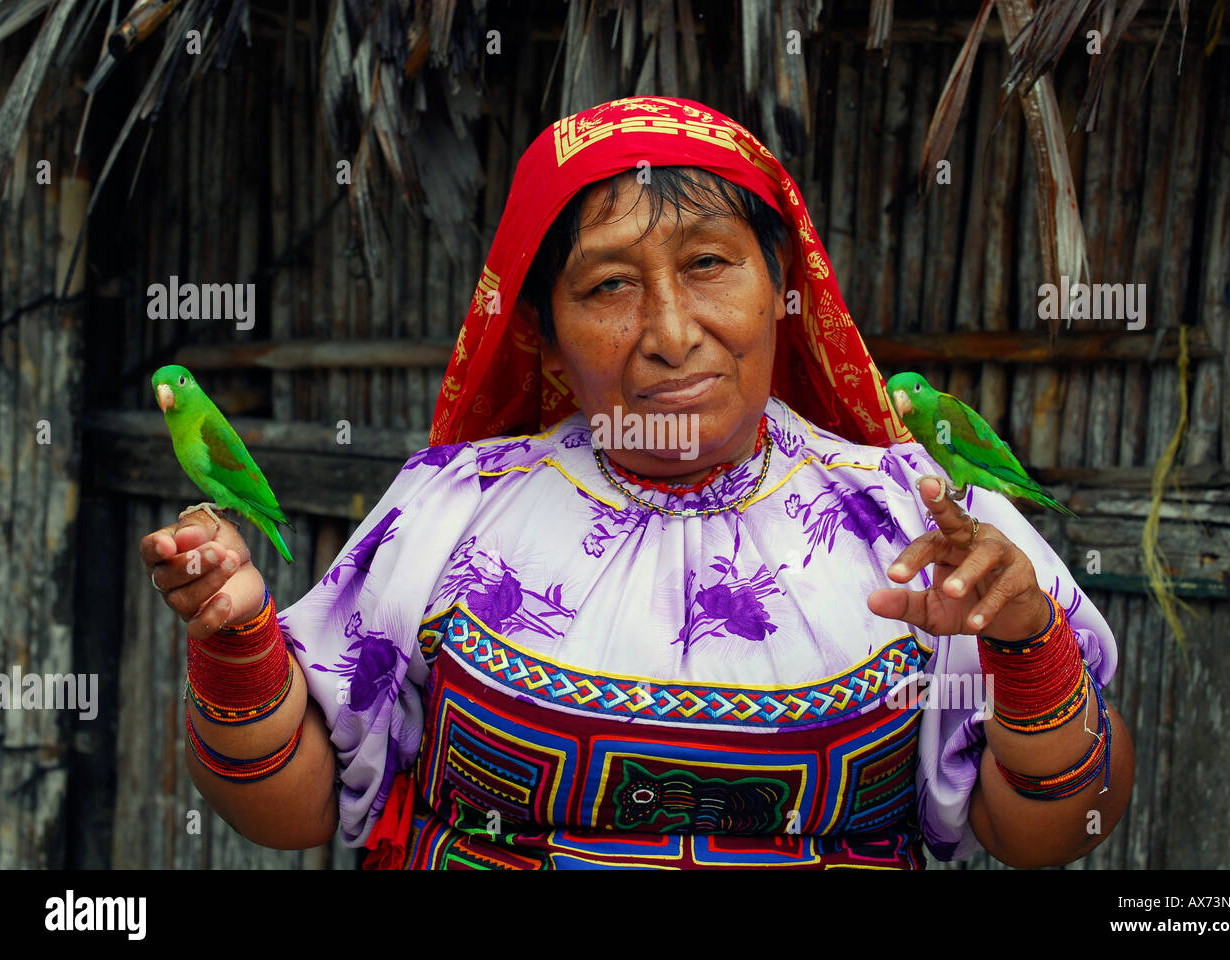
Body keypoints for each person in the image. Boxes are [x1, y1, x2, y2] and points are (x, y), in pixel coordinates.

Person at [140, 95, 1132, 869]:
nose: (668, 332)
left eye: (710, 264)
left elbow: (1048, 832)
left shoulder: (922, 525)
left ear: (781, 291)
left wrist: (1027, 645)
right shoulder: (451, 514)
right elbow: (295, 811)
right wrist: (236, 648)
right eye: (608, 285)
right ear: (542, 329)